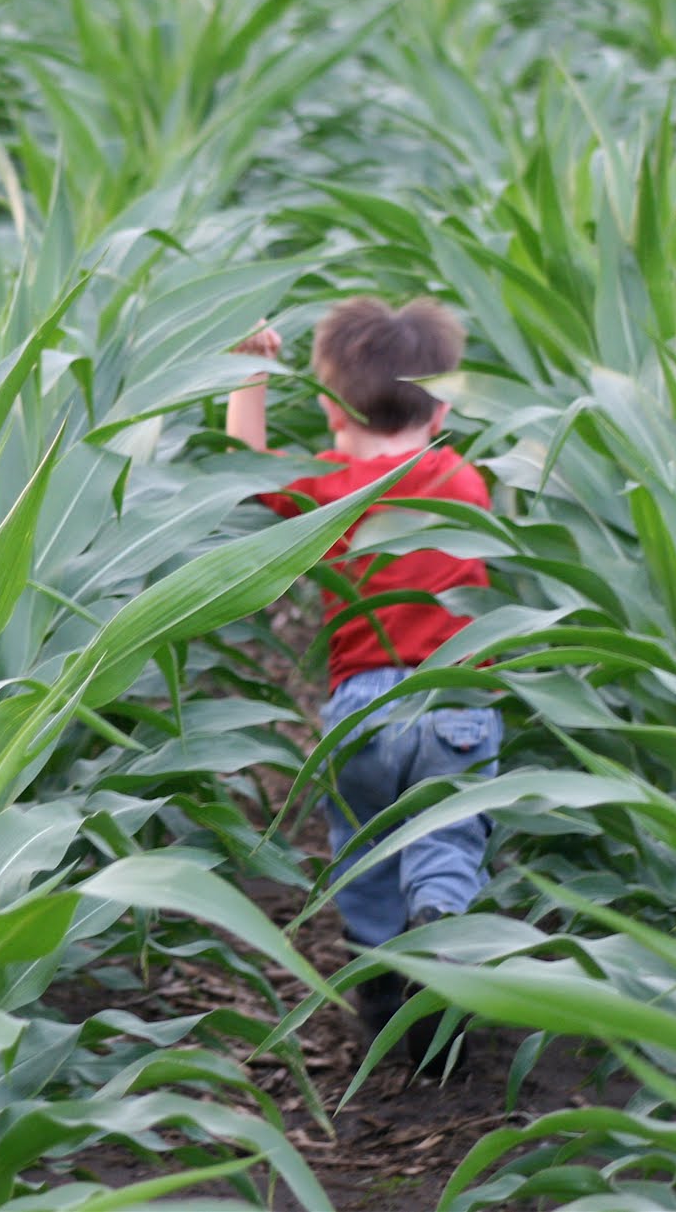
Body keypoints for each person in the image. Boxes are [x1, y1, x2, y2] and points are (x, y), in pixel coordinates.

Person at [225, 297, 501, 1064]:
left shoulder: (330, 489)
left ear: (327, 407)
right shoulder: (463, 481)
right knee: (446, 833)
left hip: (362, 710)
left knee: (367, 849)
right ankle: (442, 923)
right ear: (442, 407)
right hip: (453, 705)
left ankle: (384, 989)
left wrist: (249, 370)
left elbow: (246, 474)